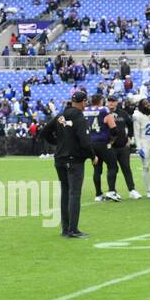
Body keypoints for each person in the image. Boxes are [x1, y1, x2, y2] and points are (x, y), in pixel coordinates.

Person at [40, 89, 94, 238]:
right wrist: (92, 156)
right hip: (74, 160)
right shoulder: (79, 118)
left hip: (59, 159)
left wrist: (58, 143)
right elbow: (85, 142)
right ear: (83, 102)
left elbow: (43, 132)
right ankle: (73, 229)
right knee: (74, 194)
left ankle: (65, 228)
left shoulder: (60, 116)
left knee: (65, 193)